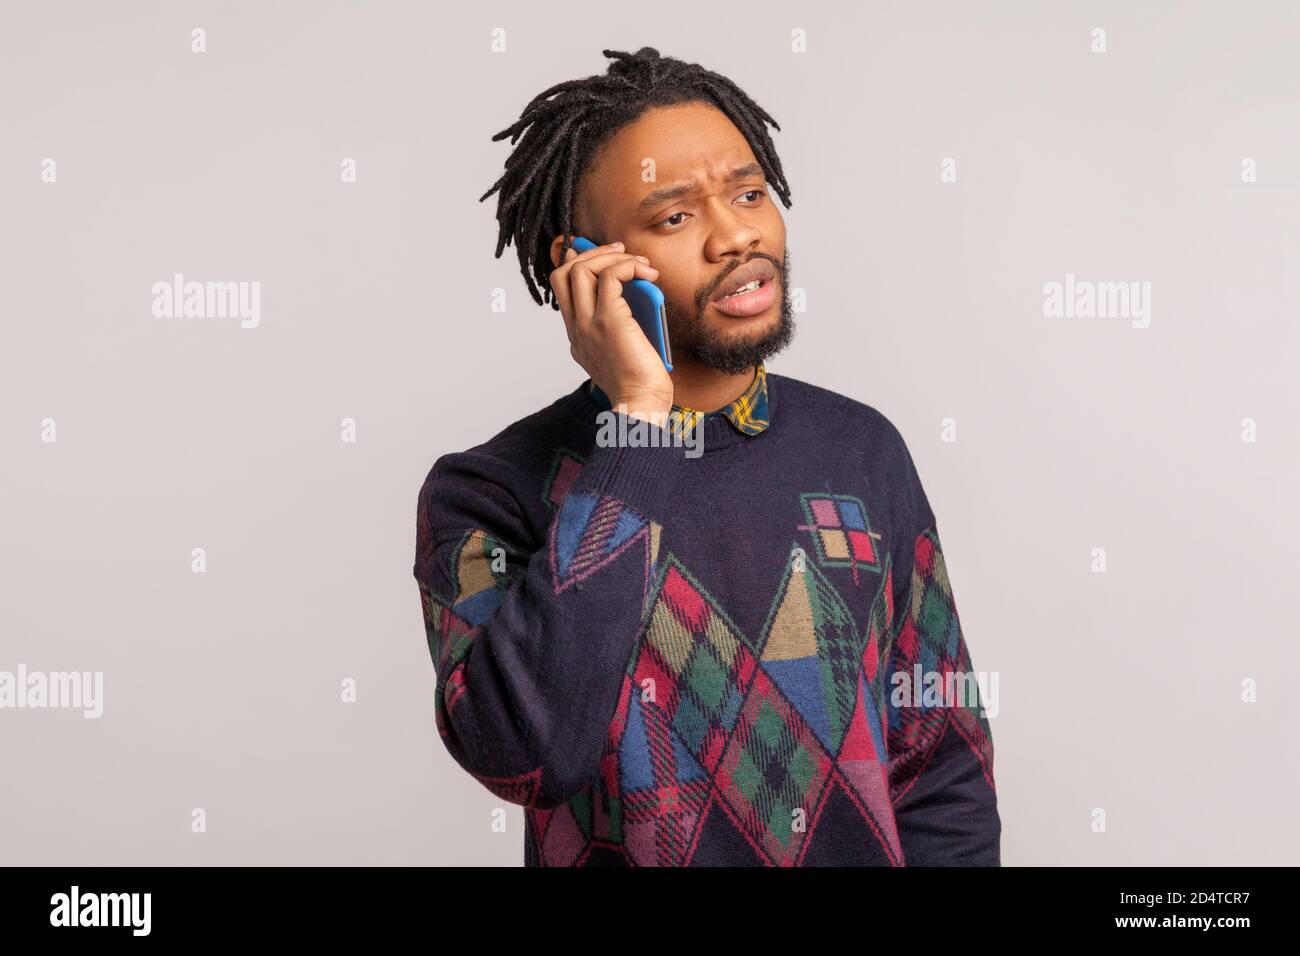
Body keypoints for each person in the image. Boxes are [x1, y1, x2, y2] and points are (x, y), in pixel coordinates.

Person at [413, 47, 1000, 866]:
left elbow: (939, 761)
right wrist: (640, 427)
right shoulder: (486, 491)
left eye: (750, 192)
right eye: (675, 216)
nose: (736, 235)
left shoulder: (864, 451)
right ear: (586, 269)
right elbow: (527, 752)